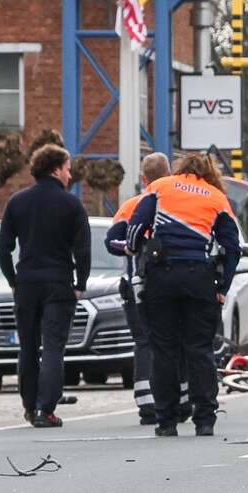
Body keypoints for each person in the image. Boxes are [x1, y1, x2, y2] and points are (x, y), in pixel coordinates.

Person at [122, 151, 241, 438]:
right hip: (199, 277)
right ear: (209, 172)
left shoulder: (160, 187)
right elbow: (232, 249)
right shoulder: (217, 198)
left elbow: (136, 227)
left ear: (180, 168)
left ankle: (167, 420)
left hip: (162, 276)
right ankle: (205, 419)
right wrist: (222, 289)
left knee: (163, 349)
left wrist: (134, 248)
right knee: (199, 348)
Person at [0, 143, 90, 428]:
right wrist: (80, 284)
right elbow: (83, 251)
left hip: (26, 284)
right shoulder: (72, 205)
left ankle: (28, 405)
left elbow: (3, 249)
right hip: (59, 284)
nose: (70, 176)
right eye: (68, 169)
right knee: (52, 347)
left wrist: (13, 281)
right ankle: (45, 409)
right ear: (56, 169)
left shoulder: (17, 202)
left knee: (27, 346)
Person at [105, 151, 172, 426]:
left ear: (143, 179)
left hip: (136, 286)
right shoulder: (175, 205)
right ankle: (176, 398)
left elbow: (111, 242)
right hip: (167, 283)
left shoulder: (131, 205)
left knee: (143, 342)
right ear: (169, 175)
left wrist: (131, 249)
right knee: (170, 342)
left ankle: (146, 403)